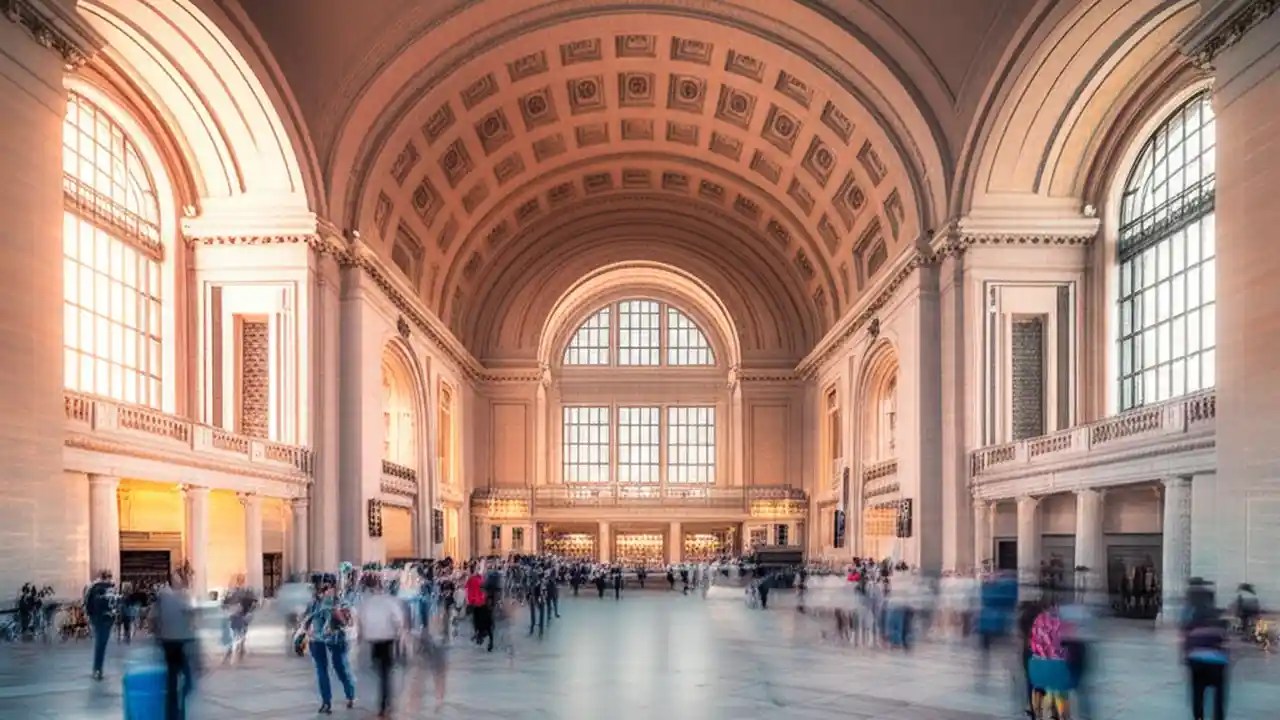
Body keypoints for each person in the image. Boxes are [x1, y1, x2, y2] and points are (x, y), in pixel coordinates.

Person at [304, 582, 356, 714]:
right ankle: (326, 702)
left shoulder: (341, 602)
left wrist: (336, 612)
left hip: (336, 639)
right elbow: (306, 620)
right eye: (324, 589)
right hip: (317, 639)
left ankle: (350, 694)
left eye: (330, 588)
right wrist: (307, 631)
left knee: (340, 667)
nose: (327, 591)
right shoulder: (314, 604)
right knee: (322, 670)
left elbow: (348, 622)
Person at [359, 575, 405, 719]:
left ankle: (383, 701)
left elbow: (361, 620)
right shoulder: (389, 602)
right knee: (385, 672)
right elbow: (398, 620)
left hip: (374, 640)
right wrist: (399, 635)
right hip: (387, 640)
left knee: (379, 670)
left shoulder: (367, 603)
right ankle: (385, 702)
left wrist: (362, 636)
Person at [153, 571, 197, 720]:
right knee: (178, 681)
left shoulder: (171, 596)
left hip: (178, 642)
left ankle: (175, 712)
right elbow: (191, 614)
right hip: (174, 643)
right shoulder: (171, 597)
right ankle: (174, 713)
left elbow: (191, 615)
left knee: (181, 681)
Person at [1184, 606, 1229, 720]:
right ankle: (1218, 716)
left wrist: (1187, 659)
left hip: (1197, 661)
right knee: (1219, 693)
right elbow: (1227, 645)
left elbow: (1187, 644)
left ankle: (1198, 716)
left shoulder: (1192, 626)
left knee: (1197, 692)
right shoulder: (1220, 626)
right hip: (1217, 663)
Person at [84, 570, 116, 681]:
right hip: (106, 619)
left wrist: (90, 617)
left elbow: (88, 604)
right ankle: (98, 669)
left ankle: (97, 669)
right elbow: (114, 605)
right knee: (102, 644)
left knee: (100, 644)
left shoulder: (93, 588)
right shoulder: (109, 589)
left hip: (98, 619)